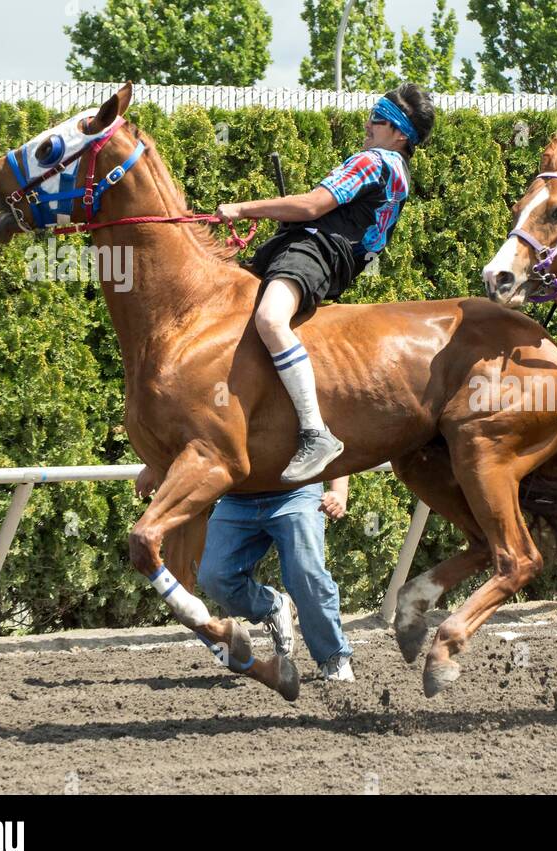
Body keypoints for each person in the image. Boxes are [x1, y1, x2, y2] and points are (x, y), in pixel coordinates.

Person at [216, 84, 435, 483]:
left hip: (312, 252)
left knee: (268, 320)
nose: (367, 123)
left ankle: (315, 432)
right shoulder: (399, 172)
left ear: (400, 134)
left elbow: (313, 205)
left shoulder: (374, 160)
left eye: (378, 118)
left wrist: (243, 208)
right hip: (318, 254)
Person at [195, 476, 357, 681]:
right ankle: (272, 607)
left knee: (305, 573)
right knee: (212, 575)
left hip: (297, 492)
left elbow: (334, 443)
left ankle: (333, 656)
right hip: (238, 498)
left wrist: (339, 492)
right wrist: (154, 467)